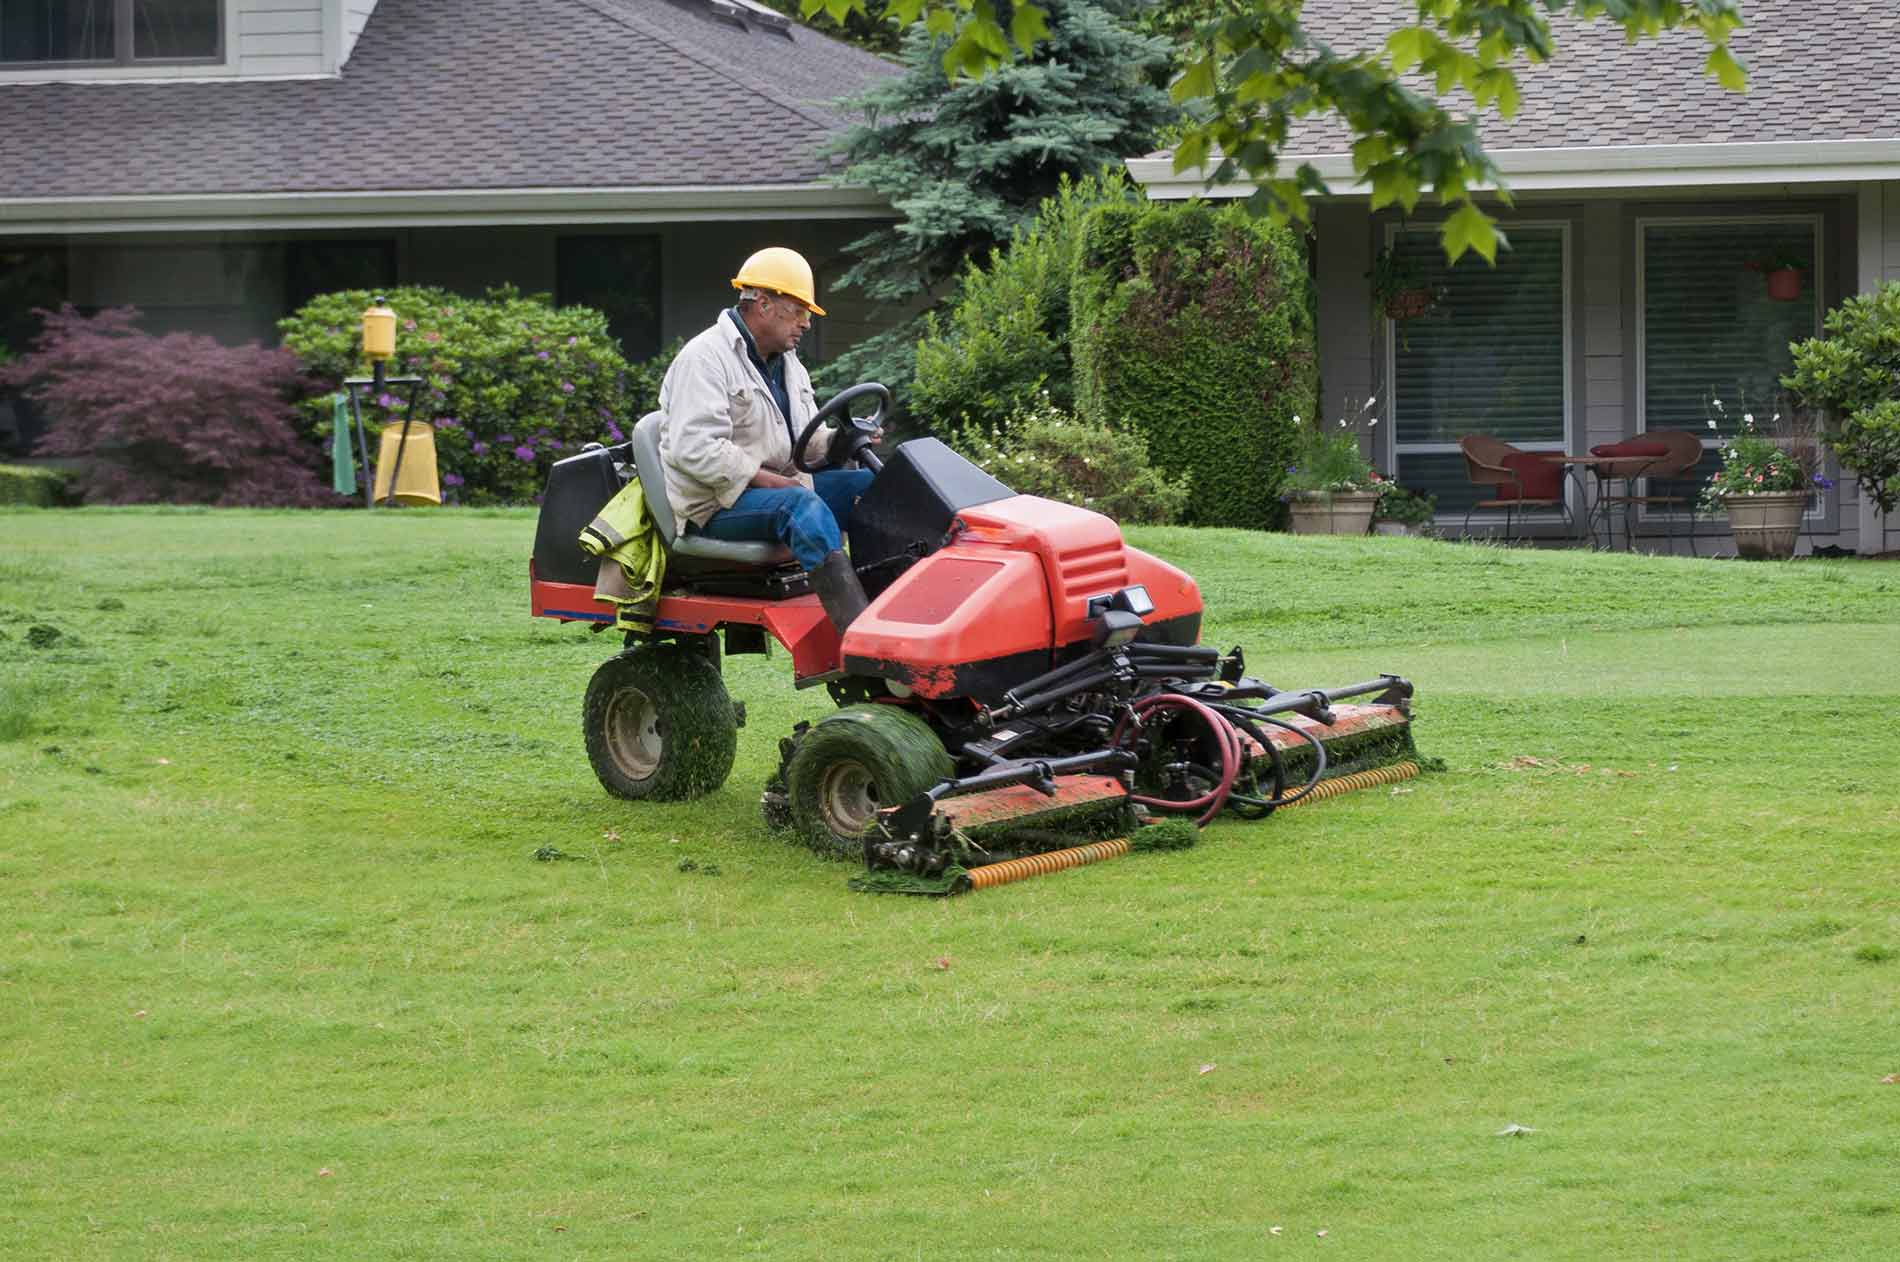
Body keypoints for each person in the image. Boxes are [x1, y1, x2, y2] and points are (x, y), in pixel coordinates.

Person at [655, 247, 876, 633]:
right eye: (799, 310)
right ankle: (857, 633)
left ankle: (890, 607)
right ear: (763, 304)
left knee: (873, 487)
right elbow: (695, 448)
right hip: (716, 504)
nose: (806, 323)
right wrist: (768, 480)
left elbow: (805, 442)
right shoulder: (704, 359)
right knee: (801, 507)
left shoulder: (789, 364)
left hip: (781, 490)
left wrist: (840, 440)